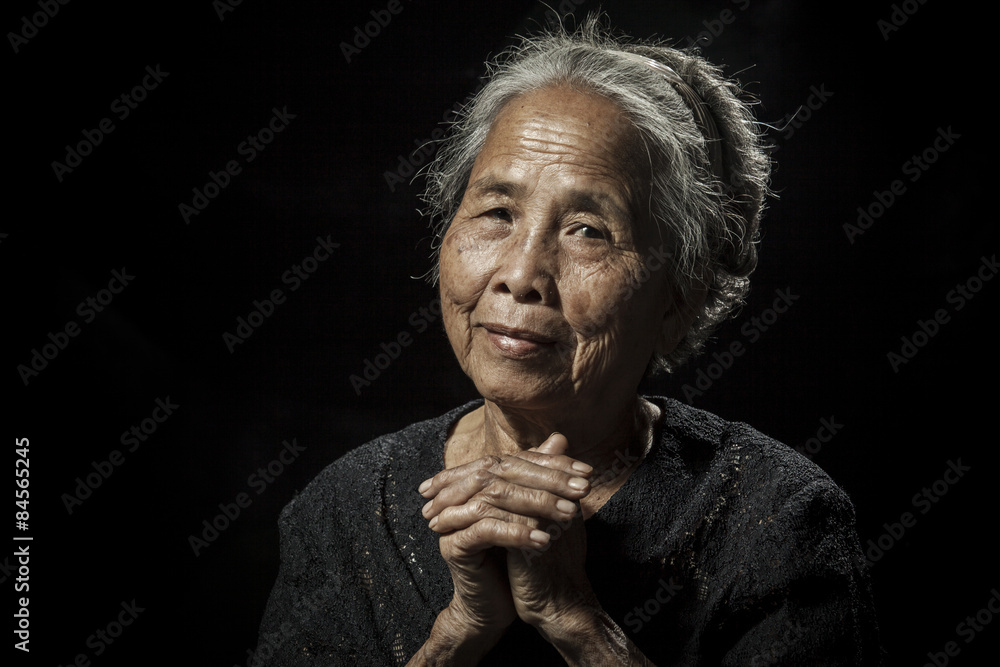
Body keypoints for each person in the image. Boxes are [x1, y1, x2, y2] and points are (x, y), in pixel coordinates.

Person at [255, 16, 881, 666]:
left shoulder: (780, 521)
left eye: (589, 230)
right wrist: (458, 634)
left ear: (681, 297)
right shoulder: (345, 511)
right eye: (497, 212)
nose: (521, 274)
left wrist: (576, 620)